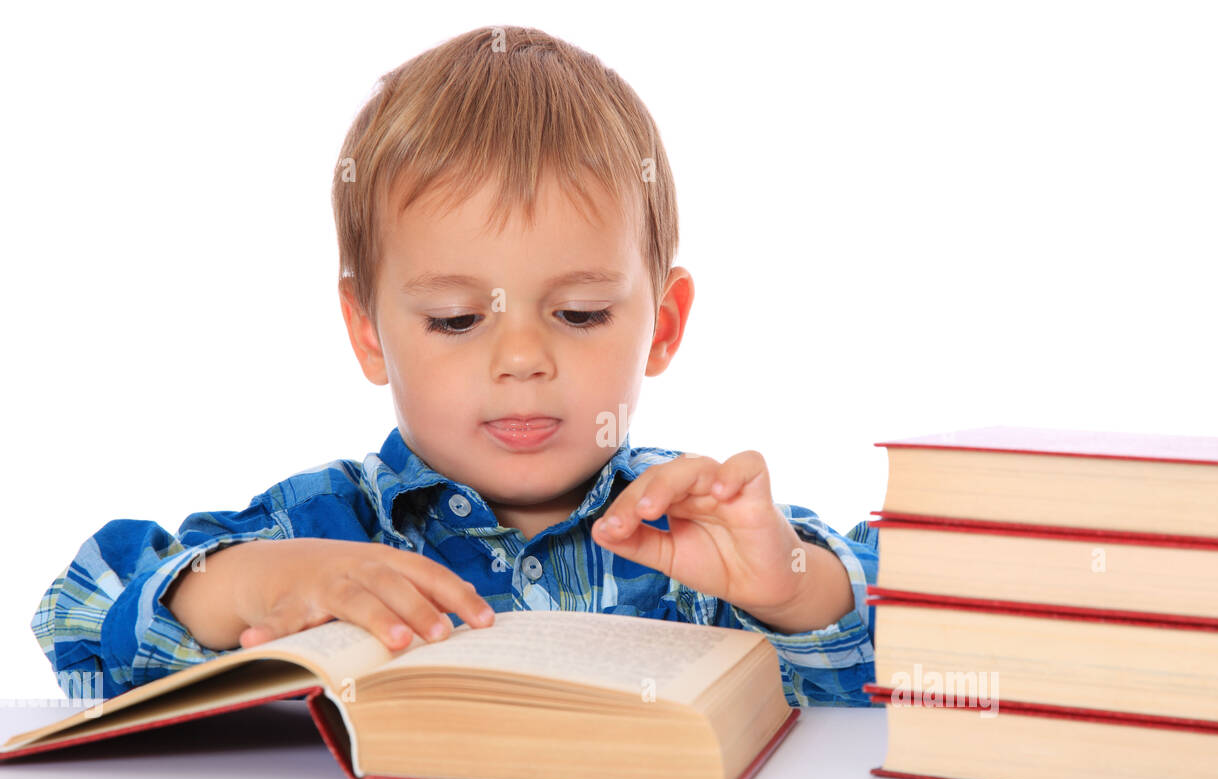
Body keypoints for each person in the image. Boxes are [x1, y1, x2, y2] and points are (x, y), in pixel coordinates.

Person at [31, 25, 880, 709]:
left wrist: (800, 590)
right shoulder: (322, 528)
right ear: (368, 330)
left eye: (580, 313)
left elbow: (922, 667)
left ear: (662, 325)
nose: (520, 359)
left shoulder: (710, 542)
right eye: (456, 319)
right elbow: (77, 622)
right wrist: (246, 585)